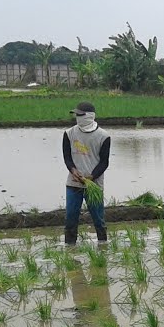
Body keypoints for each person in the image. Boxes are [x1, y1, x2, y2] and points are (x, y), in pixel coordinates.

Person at [62, 101, 111, 245]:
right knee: (70, 218)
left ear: (90, 116)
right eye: (76, 115)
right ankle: (70, 247)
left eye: (80, 115)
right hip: (73, 183)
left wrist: (91, 177)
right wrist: (73, 170)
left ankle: (103, 245)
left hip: (93, 185)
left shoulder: (103, 136)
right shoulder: (69, 134)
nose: (77, 117)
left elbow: (104, 162)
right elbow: (67, 157)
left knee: (98, 219)